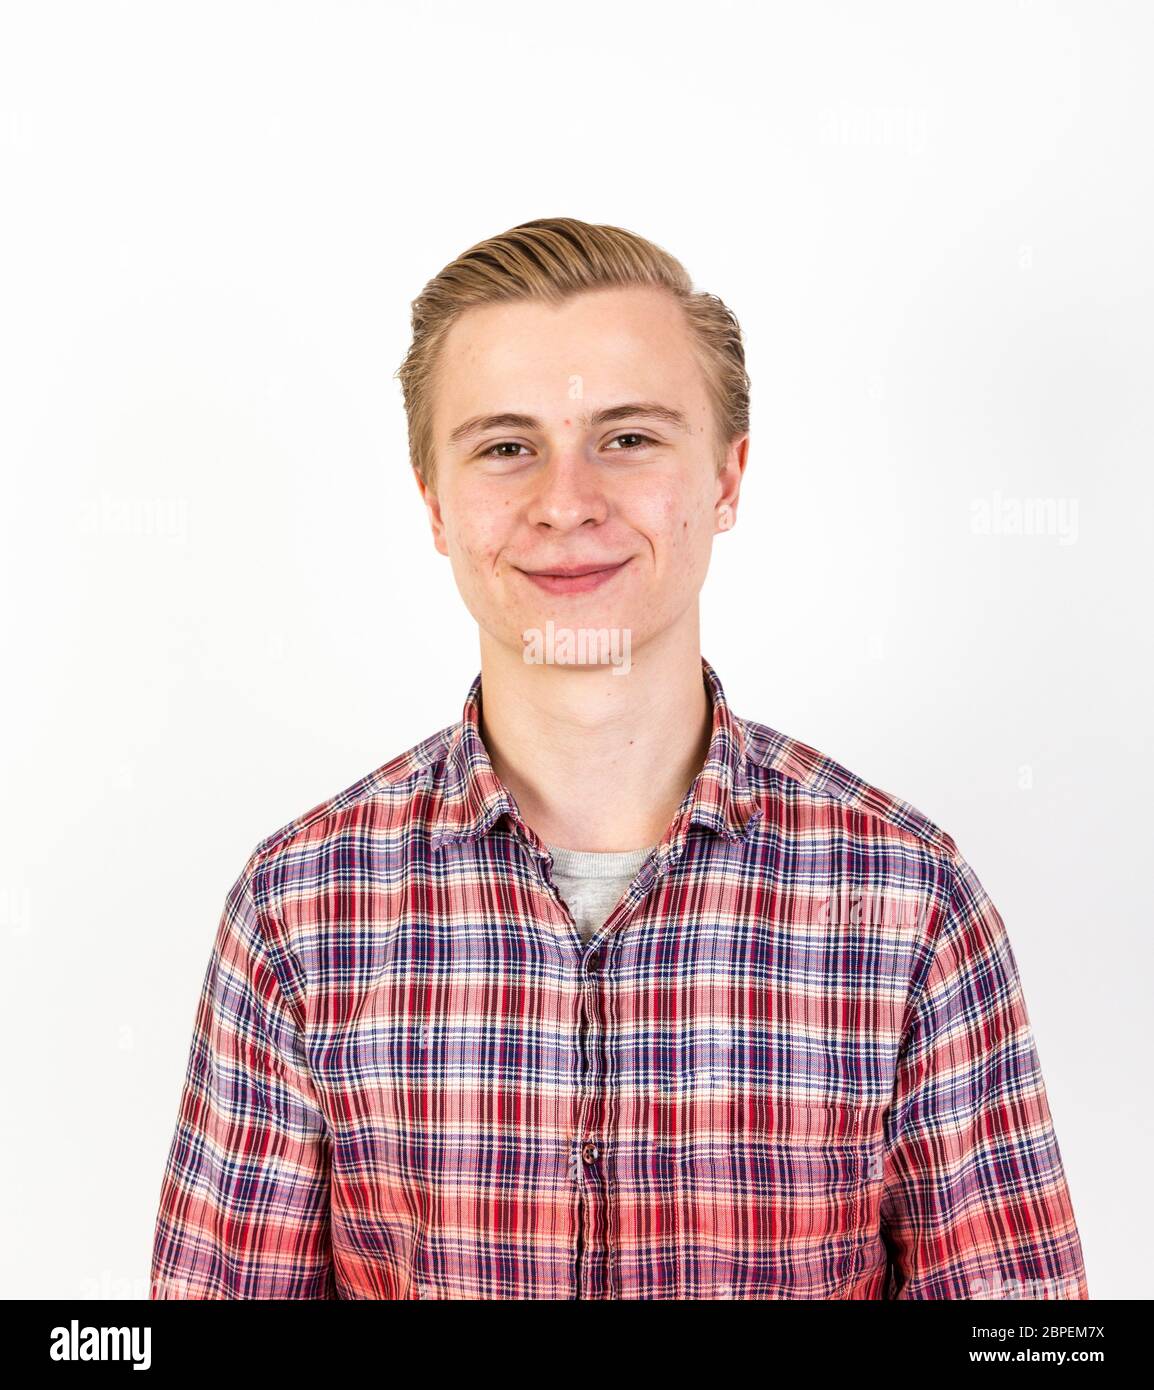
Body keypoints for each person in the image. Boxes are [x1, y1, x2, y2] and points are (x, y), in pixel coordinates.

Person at [149, 217, 1088, 1300]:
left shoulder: (909, 901)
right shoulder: (298, 911)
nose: (565, 501)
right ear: (433, 504)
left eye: (627, 437)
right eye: (506, 446)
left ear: (727, 477)